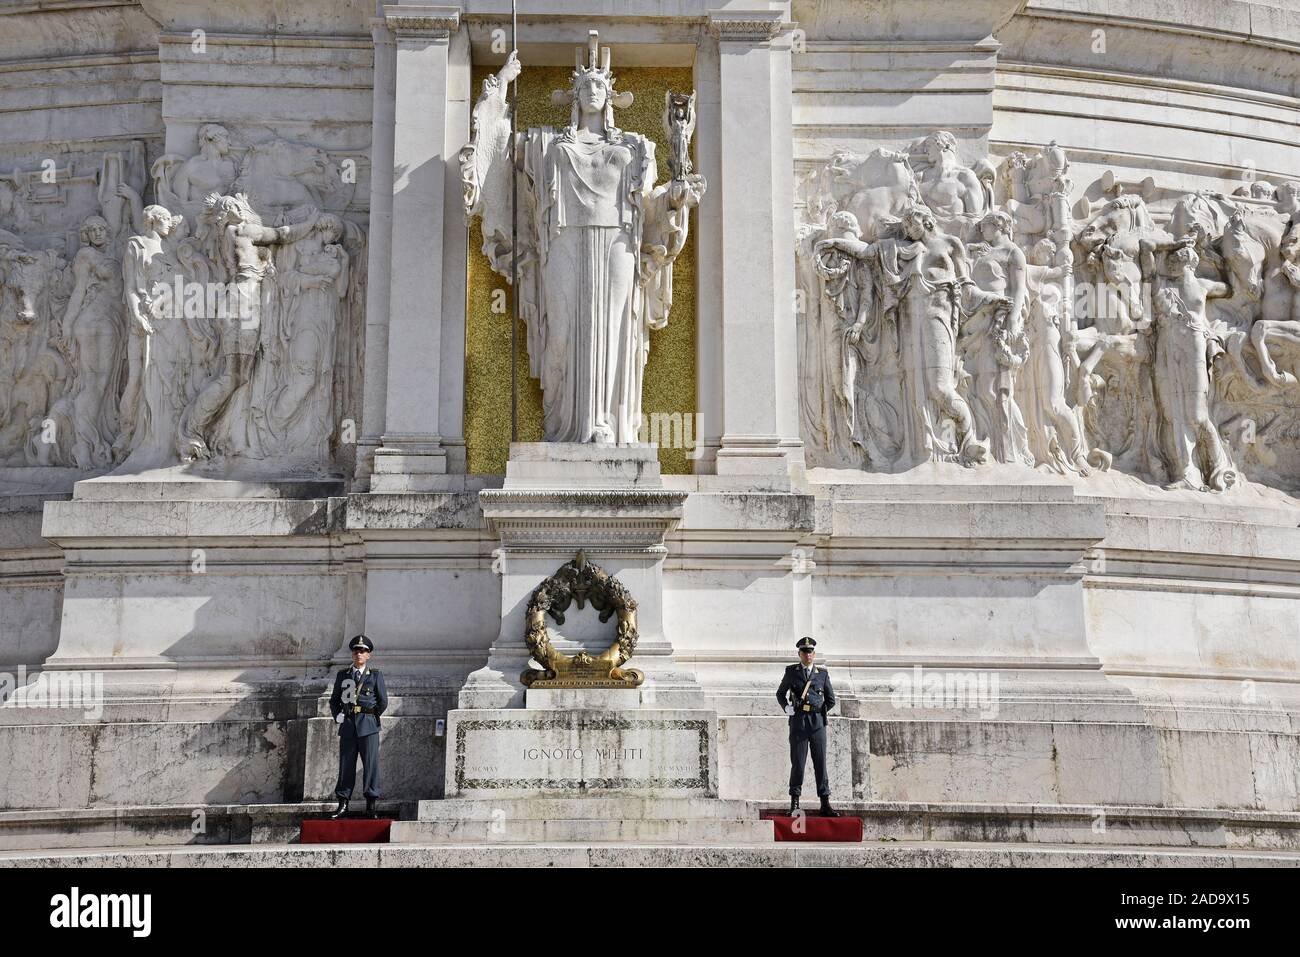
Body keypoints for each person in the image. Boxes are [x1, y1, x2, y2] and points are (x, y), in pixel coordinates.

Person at [776, 637, 839, 816]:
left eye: (810, 651)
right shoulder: (791, 672)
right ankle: (795, 803)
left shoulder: (822, 674)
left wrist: (819, 711)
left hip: (817, 723)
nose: (808, 655)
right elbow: (780, 693)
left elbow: (831, 700)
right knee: (798, 764)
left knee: (820, 763)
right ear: (799, 654)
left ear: (814, 654)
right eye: (804, 652)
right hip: (798, 723)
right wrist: (786, 707)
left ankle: (825, 803)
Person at [328, 635, 388, 819]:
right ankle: (343, 804)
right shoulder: (343, 675)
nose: (359, 654)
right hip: (348, 725)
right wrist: (337, 714)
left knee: (370, 766)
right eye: (356, 650)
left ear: (369, 655)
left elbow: (383, 701)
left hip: (368, 726)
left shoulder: (375, 675)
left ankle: (371, 805)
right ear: (352, 654)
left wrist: (370, 716)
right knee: (346, 765)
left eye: (363, 651)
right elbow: (334, 700)